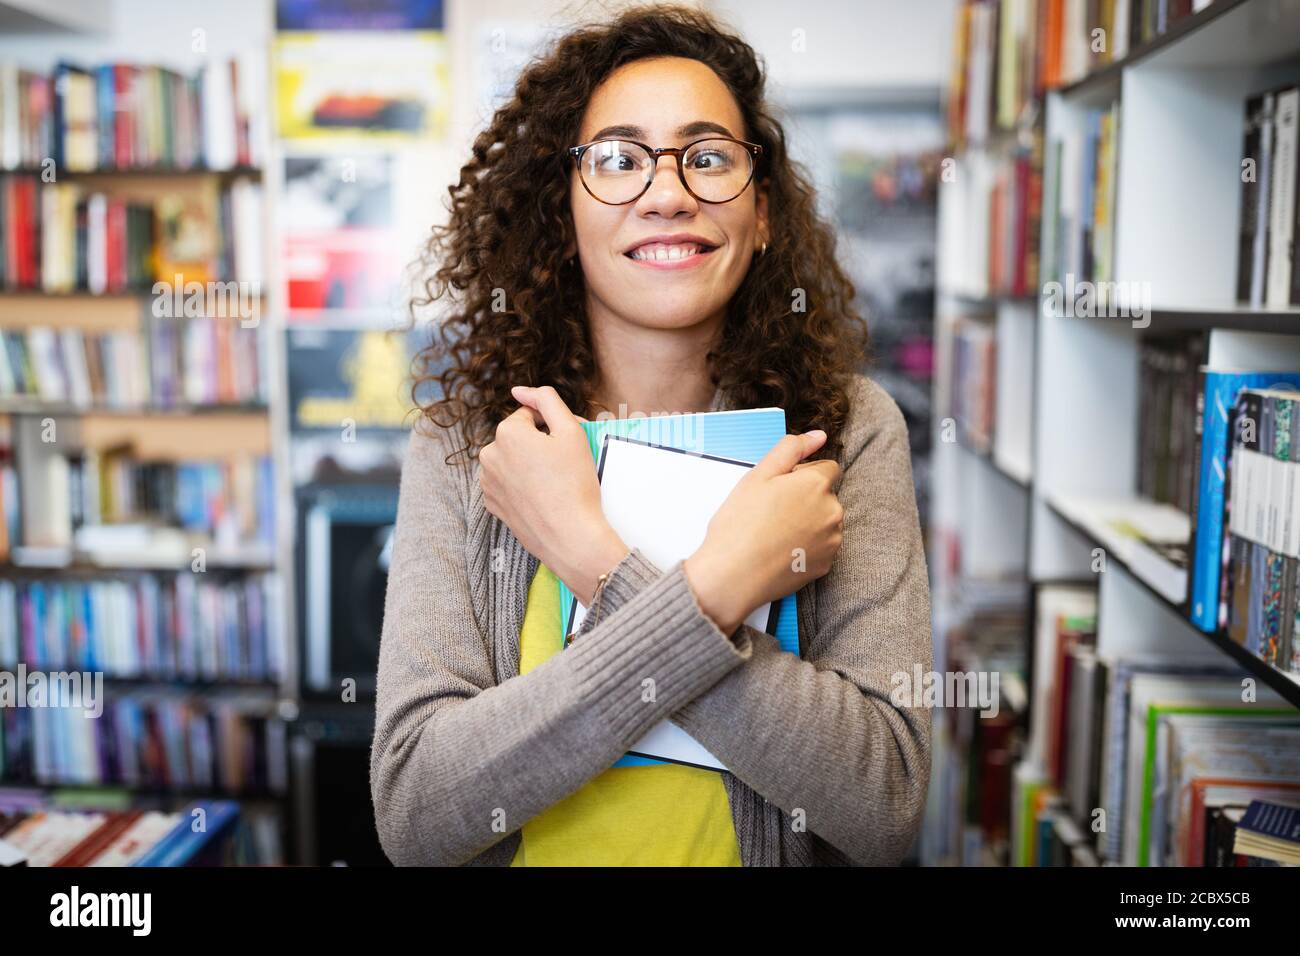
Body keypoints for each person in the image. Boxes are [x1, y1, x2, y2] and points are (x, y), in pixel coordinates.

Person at [370, 4, 932, 866]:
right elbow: (417, 813)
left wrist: (595, 560)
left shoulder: (848, 433)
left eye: (708, 158)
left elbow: (884, 805)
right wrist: (714, 588)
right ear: (564, 211)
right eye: (620, 161)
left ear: (765, 213)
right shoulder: (466, 447)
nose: (667, 195)